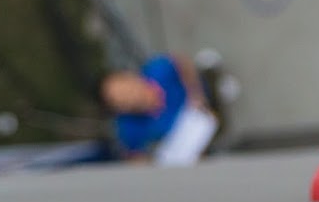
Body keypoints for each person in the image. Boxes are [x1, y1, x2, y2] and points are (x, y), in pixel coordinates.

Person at [100, 50, 236, 161]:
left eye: (124, 89)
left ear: (128, 77)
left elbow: (183, 62)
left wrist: (196, 95)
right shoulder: (128, 128)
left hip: (203, 101)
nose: (128, 96)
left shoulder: (155, 70)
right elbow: (137, 158)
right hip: (199, 142)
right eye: (119, 100)